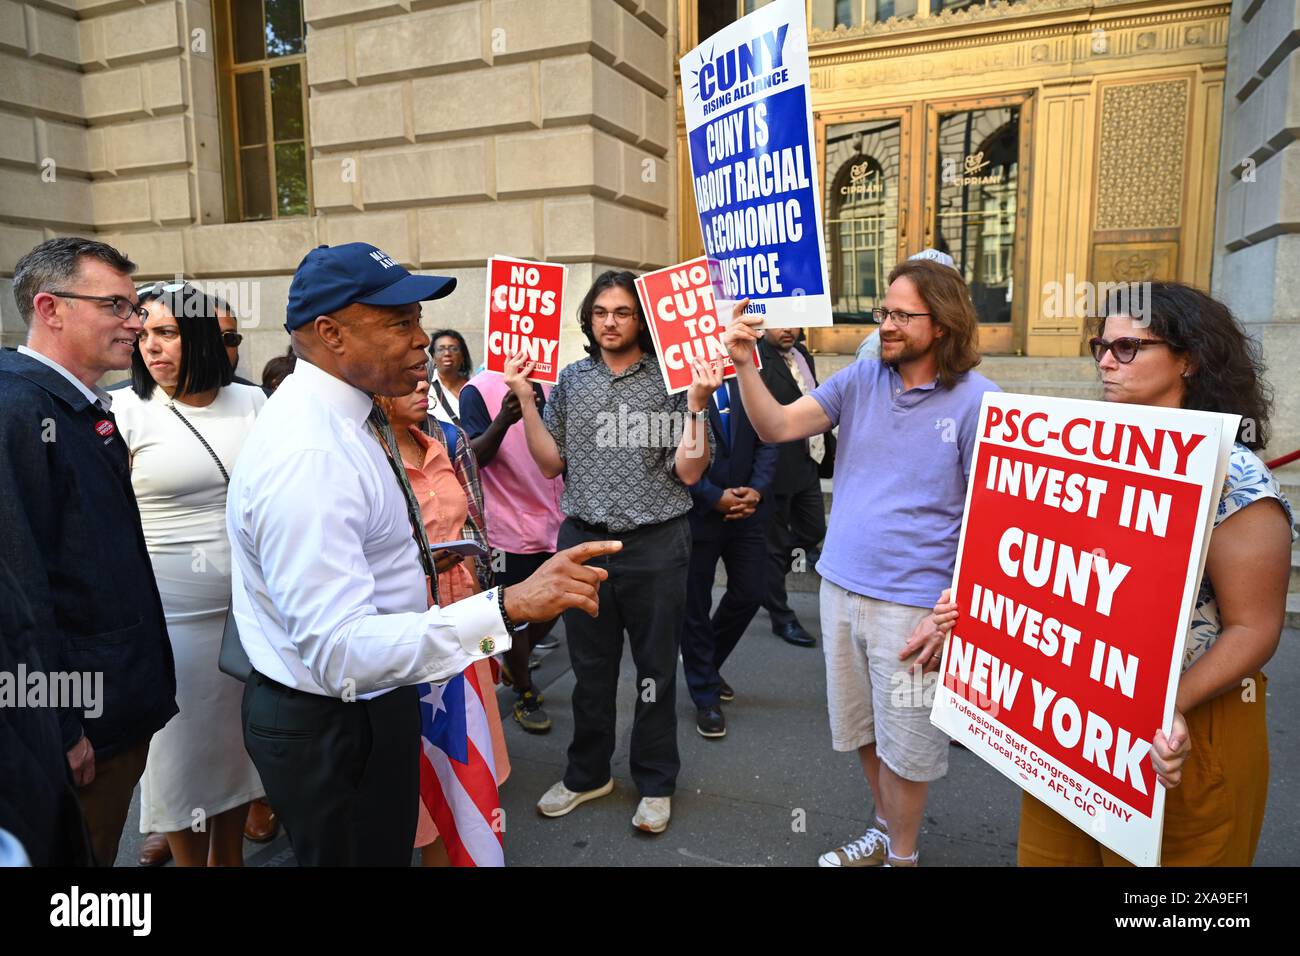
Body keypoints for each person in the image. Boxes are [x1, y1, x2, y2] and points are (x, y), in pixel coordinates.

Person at [227, 242, 618, 865]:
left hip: (366, 702)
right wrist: (509, 603)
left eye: (418, 320)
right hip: (336, 717)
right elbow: (338, 651)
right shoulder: (311, 454)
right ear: (331, 334)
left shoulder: (348, 419)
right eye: (399, 322)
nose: (422, 339)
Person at [934, 282, 1293, 866]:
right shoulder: (1085, 452)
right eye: (1102, 343)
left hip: (1183, 732)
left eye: (1128, 348)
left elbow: (1255, 629)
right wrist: (972, 612)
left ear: (1189, 359)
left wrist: (1164, 707)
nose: (1105, 359)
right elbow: (1047, 575)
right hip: (1078, 727)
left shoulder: (1239, 479)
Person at [723, 258, 999, 867]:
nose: (887, 325)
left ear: (945, 324)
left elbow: (993, 520)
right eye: (885, 312)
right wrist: (745, 363)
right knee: (863, 732)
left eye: (903, 315)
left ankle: (902, 855)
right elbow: (777, 426)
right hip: (840, 589)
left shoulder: (983, 403)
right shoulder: (860, 378)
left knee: (907, 744)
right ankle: (884, 832)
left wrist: (952, 608)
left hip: (914, 608)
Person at [506, 269, 721, 834]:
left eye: (622, 312)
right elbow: (551, 464)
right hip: (582, 544)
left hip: (657, 544)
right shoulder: (572, 381)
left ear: (640, 319)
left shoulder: (676, 382)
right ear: (588, 318)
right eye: (600, 312)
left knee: (654, 670)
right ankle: (587, 774)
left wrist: (697, 404)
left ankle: (655, 783)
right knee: (591, 669)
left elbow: (689, 470)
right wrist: (525, 398)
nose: (609, 322)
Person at [0, 237, 178, 866]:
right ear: (50, 308)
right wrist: (60, 726)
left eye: (135, 307)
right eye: (117, 307)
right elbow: (17, 588)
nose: (136, 324)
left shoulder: (71, 403)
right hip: (81, 725)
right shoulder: (16, 408)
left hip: (115, 707)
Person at [112, 283, 267, 867]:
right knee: (178, 761)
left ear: (200, 335)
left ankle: (228, 859)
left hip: (248, 615)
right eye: (143, 332)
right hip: (169, 625)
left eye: (166, 332)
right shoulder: (122, 411)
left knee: (233, 755)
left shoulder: (253, 405)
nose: (149, 346)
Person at [375, 378, 511, 867]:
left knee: (465, 764)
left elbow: (472, 520)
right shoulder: (365, 455)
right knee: (420, 766)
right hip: (410, 626)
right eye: (406, 377)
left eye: (423, 373)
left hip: (465, 619)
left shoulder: (442, 442)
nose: (421, 385)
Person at [459, 373, 566, 733]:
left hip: (561, 517)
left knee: (558, 602)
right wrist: (505, 419)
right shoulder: (478, 390)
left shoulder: (558, 381)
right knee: (515, 615)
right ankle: (525, 690)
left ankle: (512, 656)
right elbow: (473, 458)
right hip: (511, 527)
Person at [682, 373, 777, 738]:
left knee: (751, 592)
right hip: (697, 514)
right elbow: (668, 453)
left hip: (746, 513)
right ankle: (705, 696)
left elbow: (769, 437)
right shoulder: (677, 382)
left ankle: (704, 664)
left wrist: (756, 489)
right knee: (695, 607)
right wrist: (711, 495)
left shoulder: (749, 378)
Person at [756, 326, 833, 647]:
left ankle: (763, 581)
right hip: (773, 468)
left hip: (806, 462)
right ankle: (781, 616)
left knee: (813, 529)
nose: (788, 328)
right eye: (780, 321)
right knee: (773, 547)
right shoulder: (755, 357)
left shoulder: (802, 355)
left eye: (794, 321)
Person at [428, 329, 472, 426]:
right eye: (441, 349)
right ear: (433, 357)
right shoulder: (425, 386)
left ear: (462, 356)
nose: (447, 353)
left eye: (453, 349)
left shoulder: (473, 386)